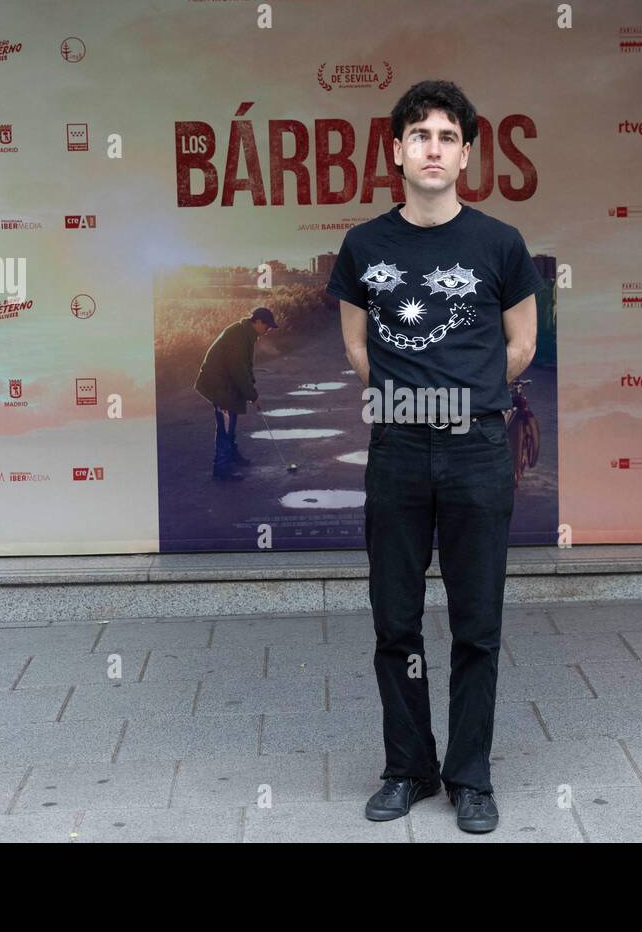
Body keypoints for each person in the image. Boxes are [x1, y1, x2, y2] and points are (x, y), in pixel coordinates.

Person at [326, 80, 544, 833]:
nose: (432, 147)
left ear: (465, 153)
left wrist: (468, 396)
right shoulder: (363, 245)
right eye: (419, 134)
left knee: (477, 621)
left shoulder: (499, 245)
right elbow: (357, 347)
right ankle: (408, 767)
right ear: (396, 150)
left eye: (447, 136)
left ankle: (471, 776)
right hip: (395, 448)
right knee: (396, 620)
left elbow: (522, 344)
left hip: (478, 450)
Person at [194, 306, 277, 481]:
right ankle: (221, 469)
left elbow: (246, 367)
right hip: (218, 385)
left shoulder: (246, 334)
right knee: (225, 425)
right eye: (267, 326)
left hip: (226, 384)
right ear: (258, 322)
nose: (268, 330)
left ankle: (232, 456)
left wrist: (251, 389)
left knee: (230, 422)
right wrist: (252, 395)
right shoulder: (238, 337)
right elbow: (238, 370)